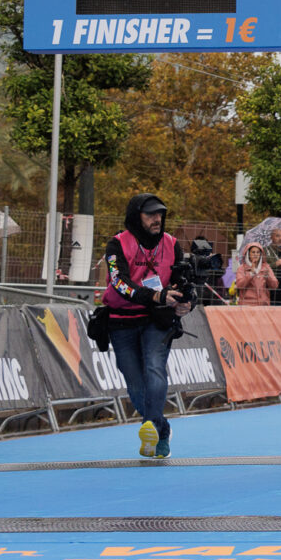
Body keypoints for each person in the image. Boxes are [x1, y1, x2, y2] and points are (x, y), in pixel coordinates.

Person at [102, 194, 190, 460]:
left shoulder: (173, 244)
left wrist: (187, 302)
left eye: (160, 214)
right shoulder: (117, 244)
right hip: (121, 318)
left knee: (154, 366)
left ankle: (152, 429)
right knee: (134, 384)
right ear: (136, 216)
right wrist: (154, 295)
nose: (157, 219)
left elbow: (183, 283)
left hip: (157, 319)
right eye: (150, 214)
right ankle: (161, 429)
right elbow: (120, 283)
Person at [233, 241, 279, 306]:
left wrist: (268, 276)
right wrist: (251, 274)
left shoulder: (266, 267)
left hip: (263, 305)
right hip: (247, 306)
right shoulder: (242, 268)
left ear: (261, 254)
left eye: (258, 252)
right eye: (253, 252)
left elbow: (275, 285)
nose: (256, 254)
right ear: (248, 254)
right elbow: (239, 285)